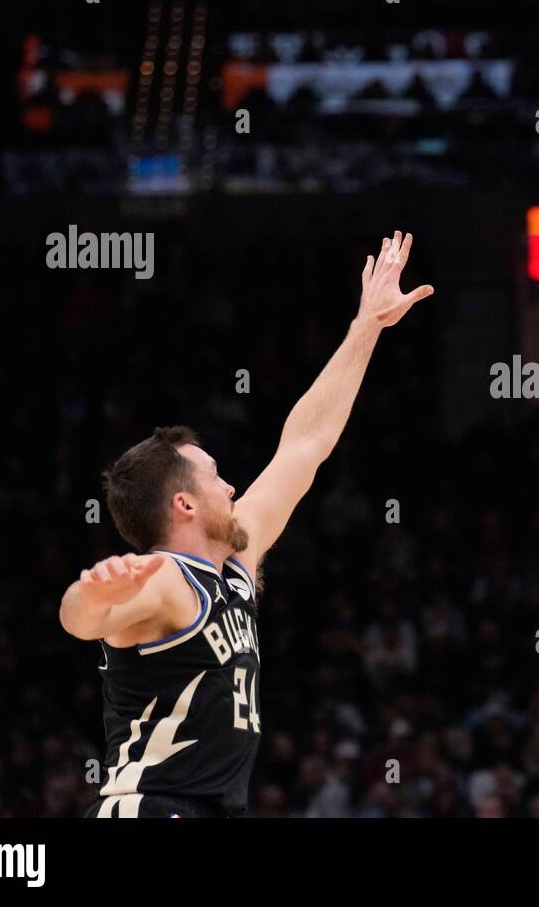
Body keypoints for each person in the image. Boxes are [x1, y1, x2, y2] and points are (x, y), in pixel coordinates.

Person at [59, 231, 432, 817]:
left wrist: (367, 326)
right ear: (184, 505)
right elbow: (83, 621)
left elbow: (306, 444)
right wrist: (91, 591)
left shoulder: (233, 565)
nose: (232, 488)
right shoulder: (164, 580)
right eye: (214, 478)